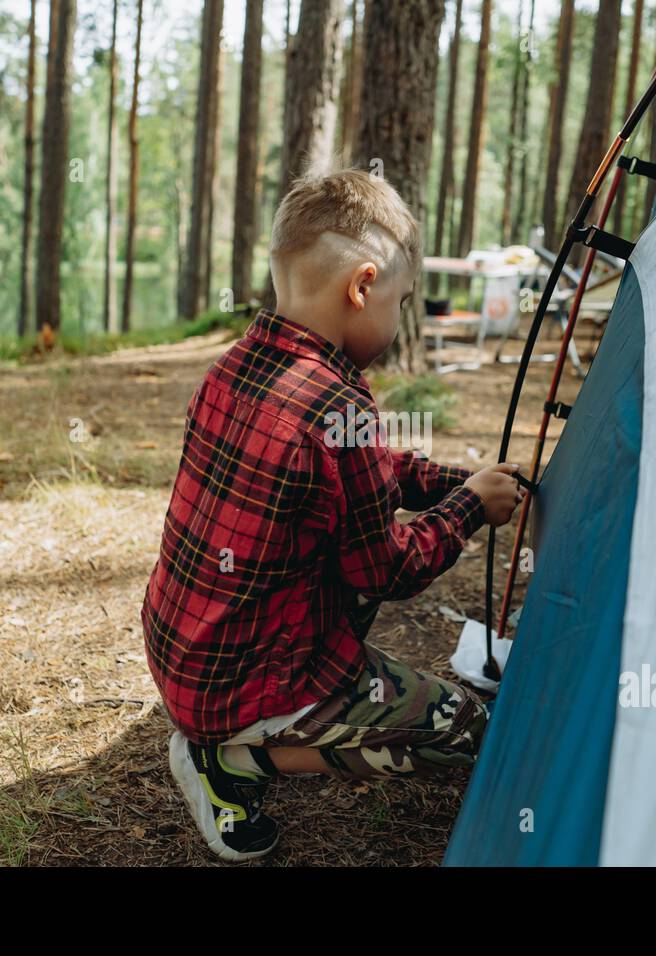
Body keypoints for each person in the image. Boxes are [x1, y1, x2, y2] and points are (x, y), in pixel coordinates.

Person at [141, 167, 523, 861]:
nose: (400, 315)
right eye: (402, 301)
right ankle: (229, 761)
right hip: (236, 685)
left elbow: (372, 476)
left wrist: (458, 481)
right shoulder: (336, 405)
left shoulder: (234, 367)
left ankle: (242, 730)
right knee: (466, 729)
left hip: (184, 651)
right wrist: (469, 510)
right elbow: (389, 570)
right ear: (363, 287)